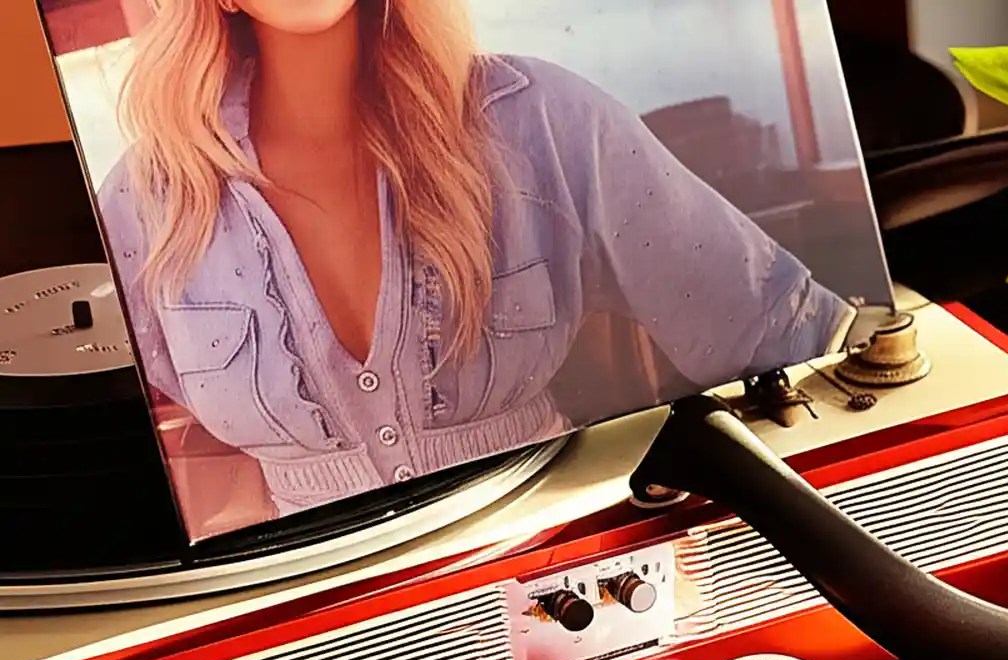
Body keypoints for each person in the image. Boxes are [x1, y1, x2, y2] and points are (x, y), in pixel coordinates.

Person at [97, 0, 855, 521]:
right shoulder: (143, 203)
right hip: (310, 635)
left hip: (561, 552)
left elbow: (784, 335)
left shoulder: (544, 120)